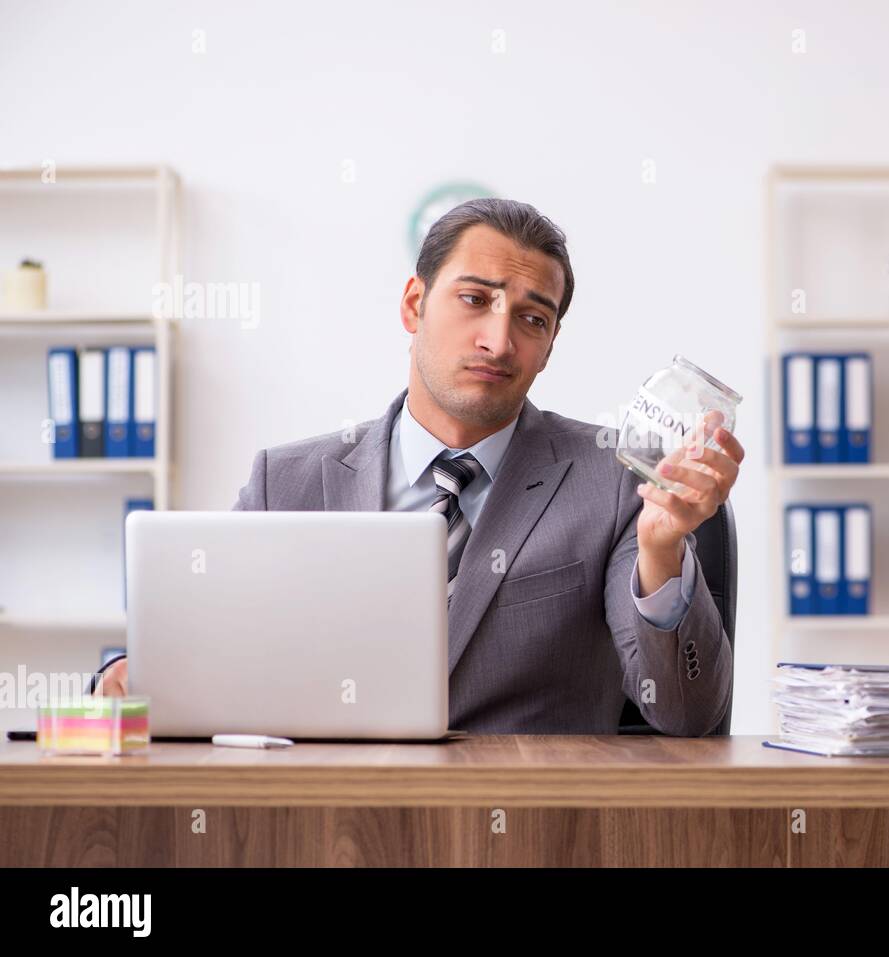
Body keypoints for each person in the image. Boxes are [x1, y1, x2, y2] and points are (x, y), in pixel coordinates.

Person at [95, 198, 742, 736]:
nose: (498, 339)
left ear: (548, 347)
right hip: (326, 826)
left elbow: (687, 714)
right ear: (414, 304)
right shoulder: (286, 480)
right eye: (474, 299)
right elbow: (210, 657)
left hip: (529, 831)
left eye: (532, 318)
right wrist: (130, 674)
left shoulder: (613, 479)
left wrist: (662, 548)